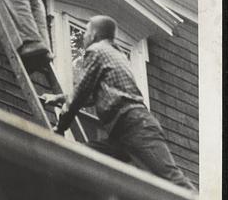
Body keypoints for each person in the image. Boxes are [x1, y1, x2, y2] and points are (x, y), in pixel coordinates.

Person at [42, 15, 195, 190]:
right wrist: (60, 98)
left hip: (135, 126)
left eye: (86, 33)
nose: (84, 37)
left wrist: (61, 126)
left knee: (170, 177)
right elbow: (95, 95)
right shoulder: (116, 54)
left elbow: (82, 93)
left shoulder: (96, 51)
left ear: (94, 34)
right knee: (85, 155)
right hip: (122, 132)